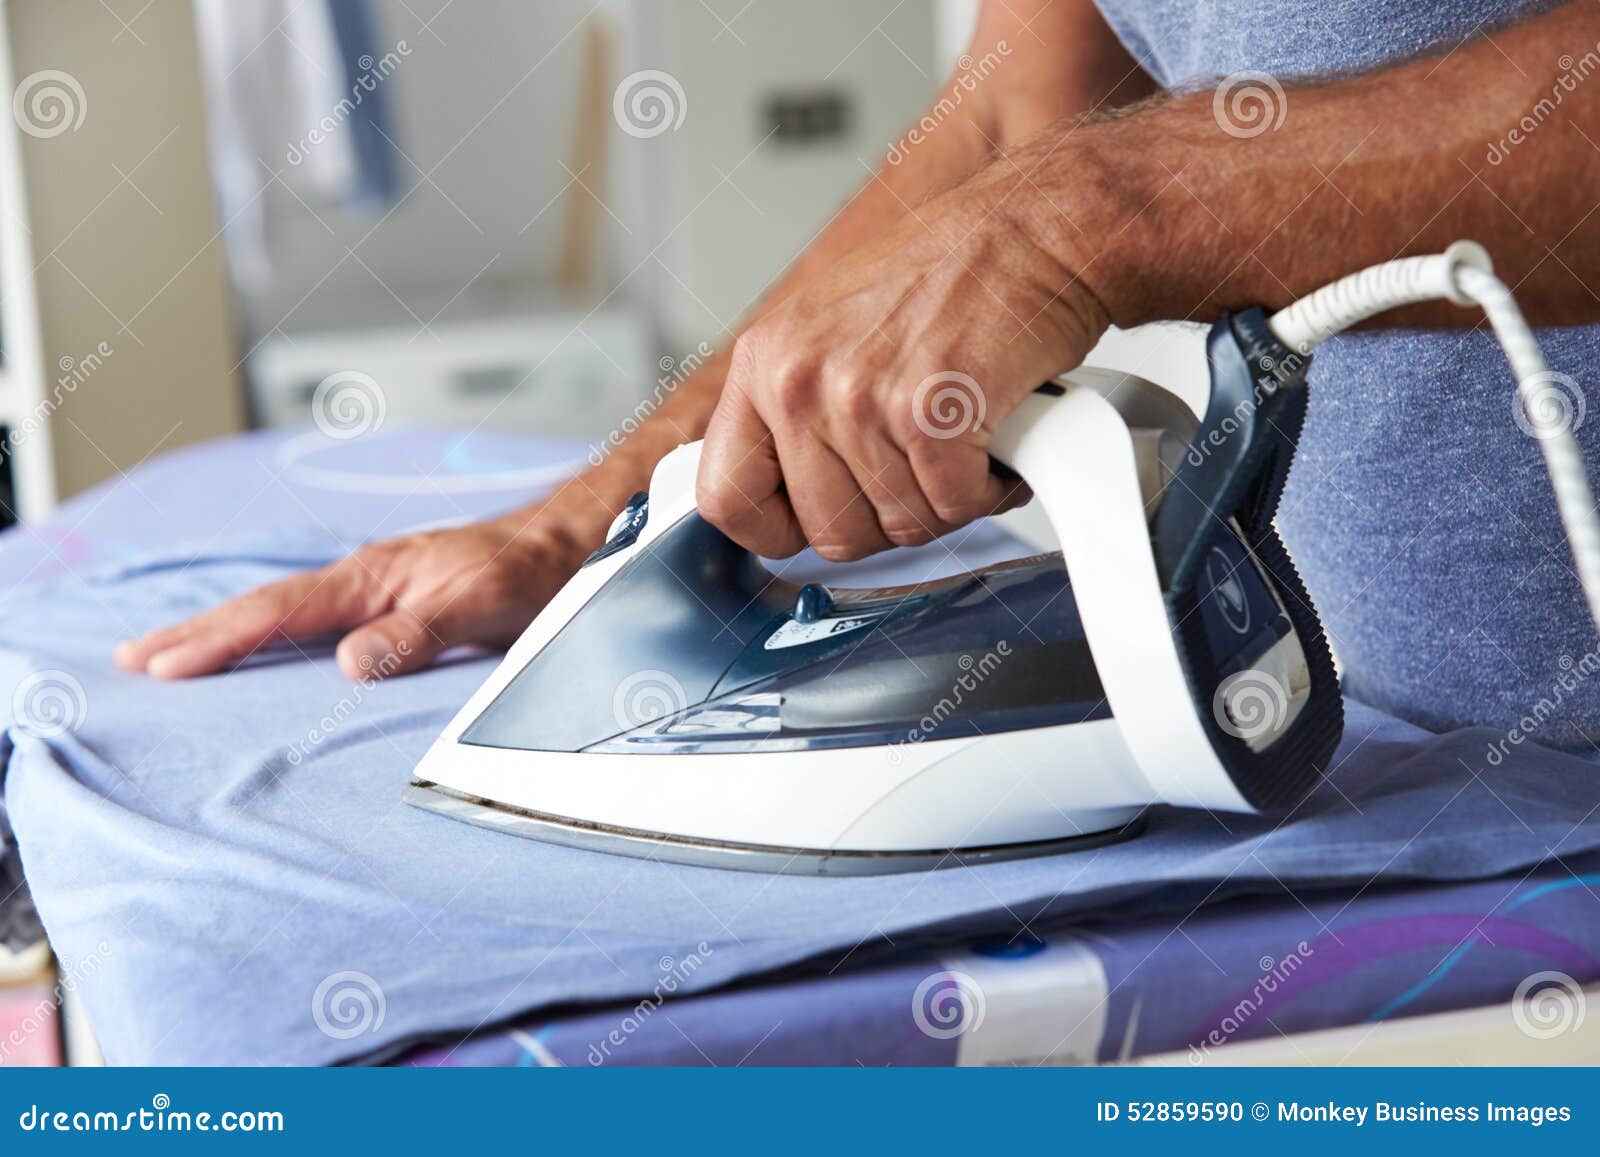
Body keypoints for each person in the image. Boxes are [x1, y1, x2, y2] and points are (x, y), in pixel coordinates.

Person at [119, 0, 1600, 749]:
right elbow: (1031, 105)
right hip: (1377, 786)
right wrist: (593, 527)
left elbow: (1057, 187)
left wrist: (1103, 217)